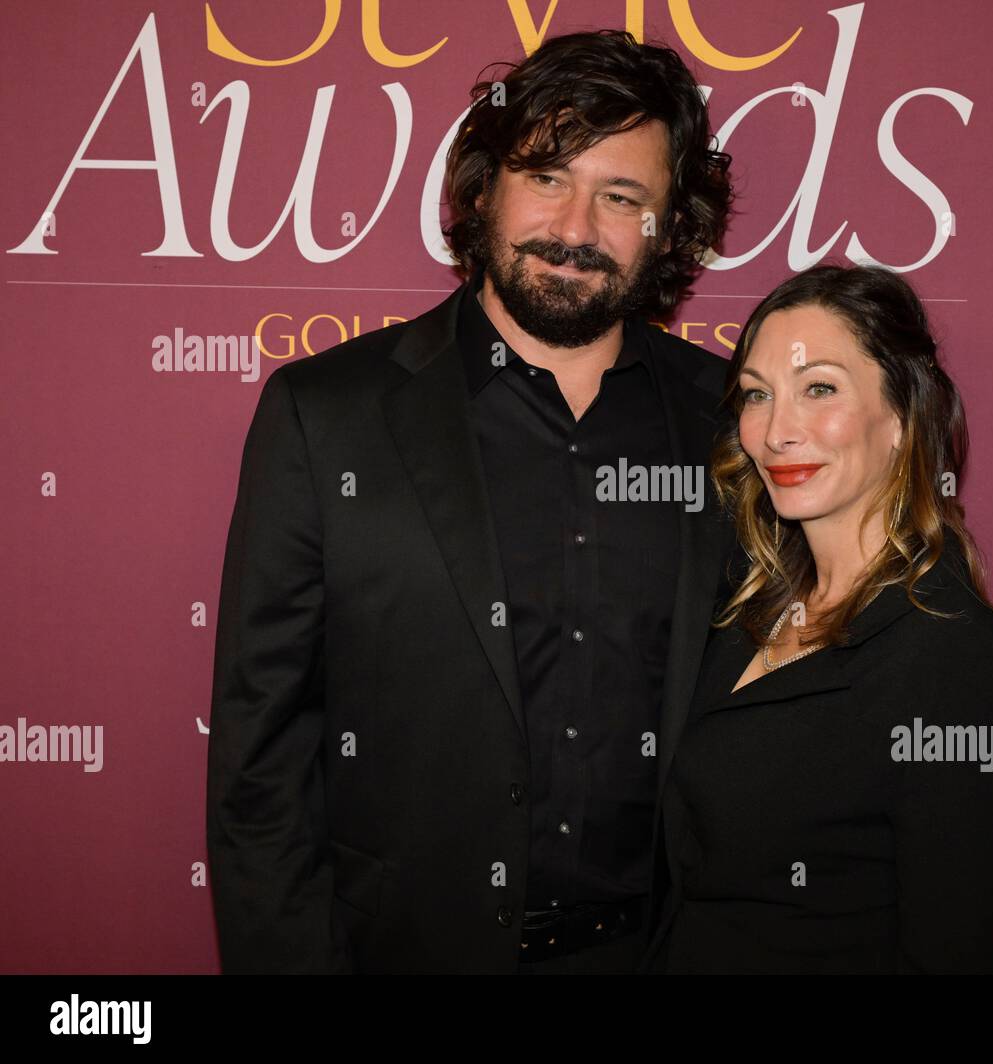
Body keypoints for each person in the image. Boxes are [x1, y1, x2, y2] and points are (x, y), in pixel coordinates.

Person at [205, 29, 736, 973]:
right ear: (483, 188)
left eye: (623, 197)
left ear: (671, 229)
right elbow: (262, 760)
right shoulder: (327, 414)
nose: (576, 228)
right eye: (546, 178)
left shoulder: (732, 421)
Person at [639, 264, 993, 973]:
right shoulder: (746, 607)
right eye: (757, 395)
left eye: (820, 389)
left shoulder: (955, 674)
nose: (776, 431)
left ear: (901, 418)